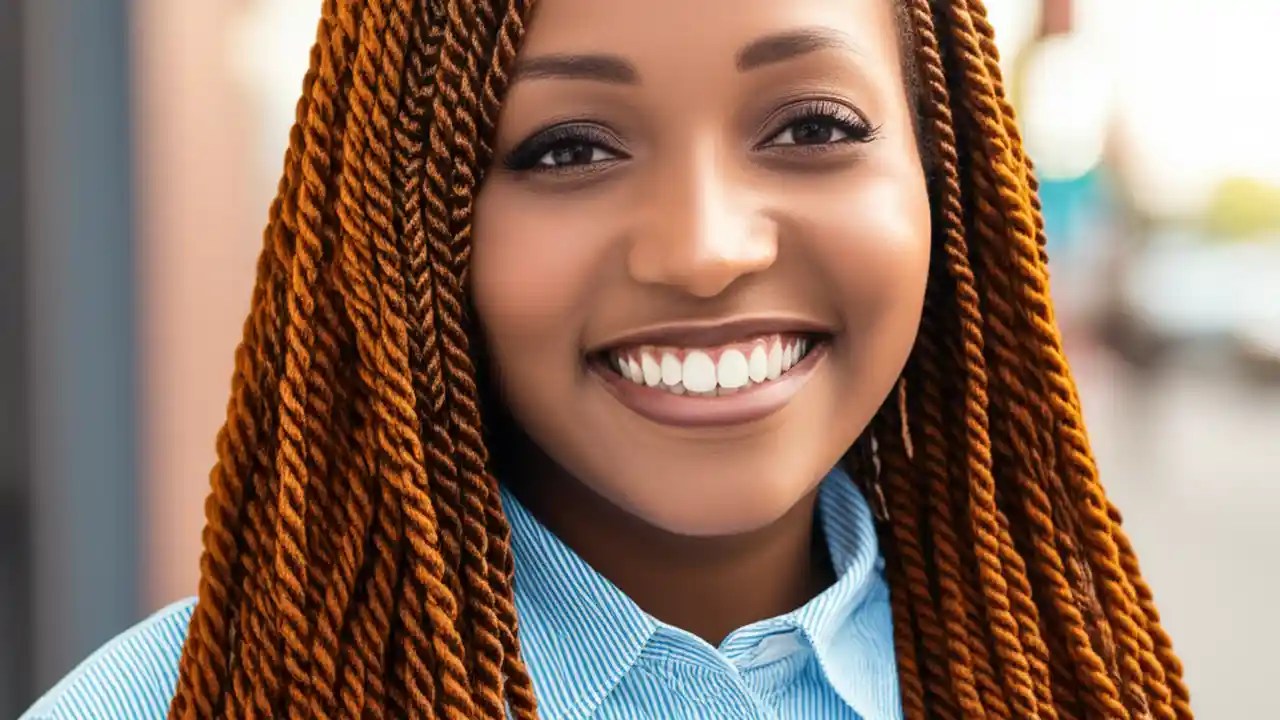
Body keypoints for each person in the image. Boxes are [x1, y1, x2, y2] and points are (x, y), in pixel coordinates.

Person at [21, 0, 1193, 718]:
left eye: (812, 128)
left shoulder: (1067, 678)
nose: (701, 251)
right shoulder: (177, 706)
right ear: (404, 222)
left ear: (952, 179)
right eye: (567, 147)